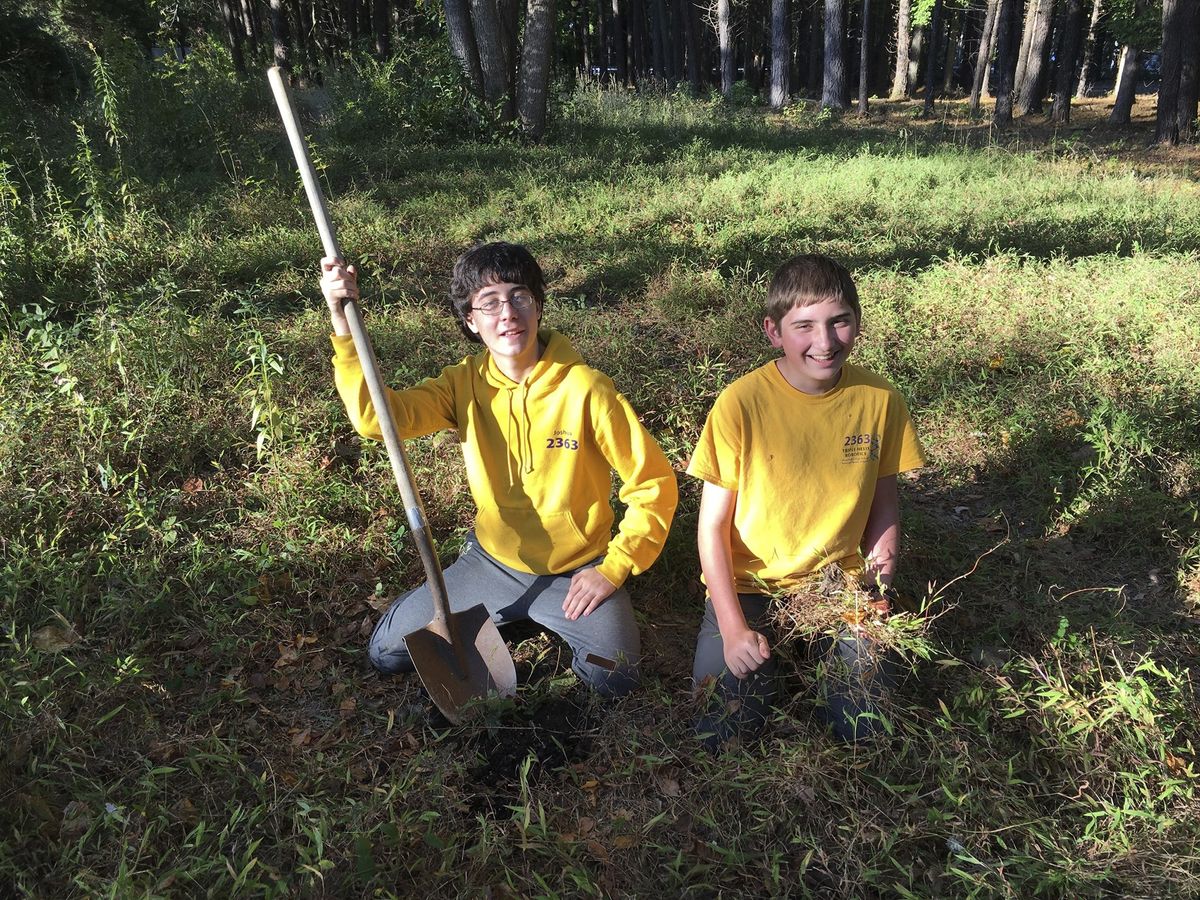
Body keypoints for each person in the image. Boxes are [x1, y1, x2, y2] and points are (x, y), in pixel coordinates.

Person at [321, 242, 678, 697]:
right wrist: (341, 320)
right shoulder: (461, 383)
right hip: (494, 562)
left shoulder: (587, 390)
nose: (507, 312)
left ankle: (523, 618)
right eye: (488, 303)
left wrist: (613, 568)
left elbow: (653, 484)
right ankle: (509, 616)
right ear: (471, 321)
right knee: (386, 654)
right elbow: (378, 420)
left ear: (538, 306)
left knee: (616, 678)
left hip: (576, 572)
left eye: (519, 296)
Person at [687, 254, 926, 746]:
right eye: (804, 326)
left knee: (870, 729)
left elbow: (884, 507)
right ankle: (755, 650)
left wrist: (877, 590)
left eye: (839, 322)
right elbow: (711, 527)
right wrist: (733, 629)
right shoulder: (740, 402)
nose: (824, 342)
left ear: (856, 323)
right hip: (749, 585)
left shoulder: (880, 399)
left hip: (837, 588)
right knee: (722, 732)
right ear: (774, 332)